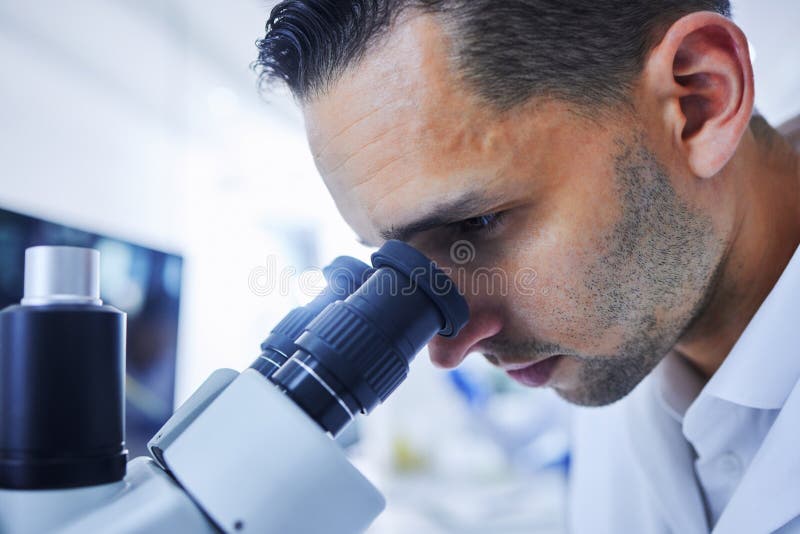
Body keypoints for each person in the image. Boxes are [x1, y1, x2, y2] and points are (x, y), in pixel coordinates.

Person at [253, 1, 800, 532]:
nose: (449, 347)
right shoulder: (624, 334)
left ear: (698, 100)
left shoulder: (615, 314)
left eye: (480, 223)